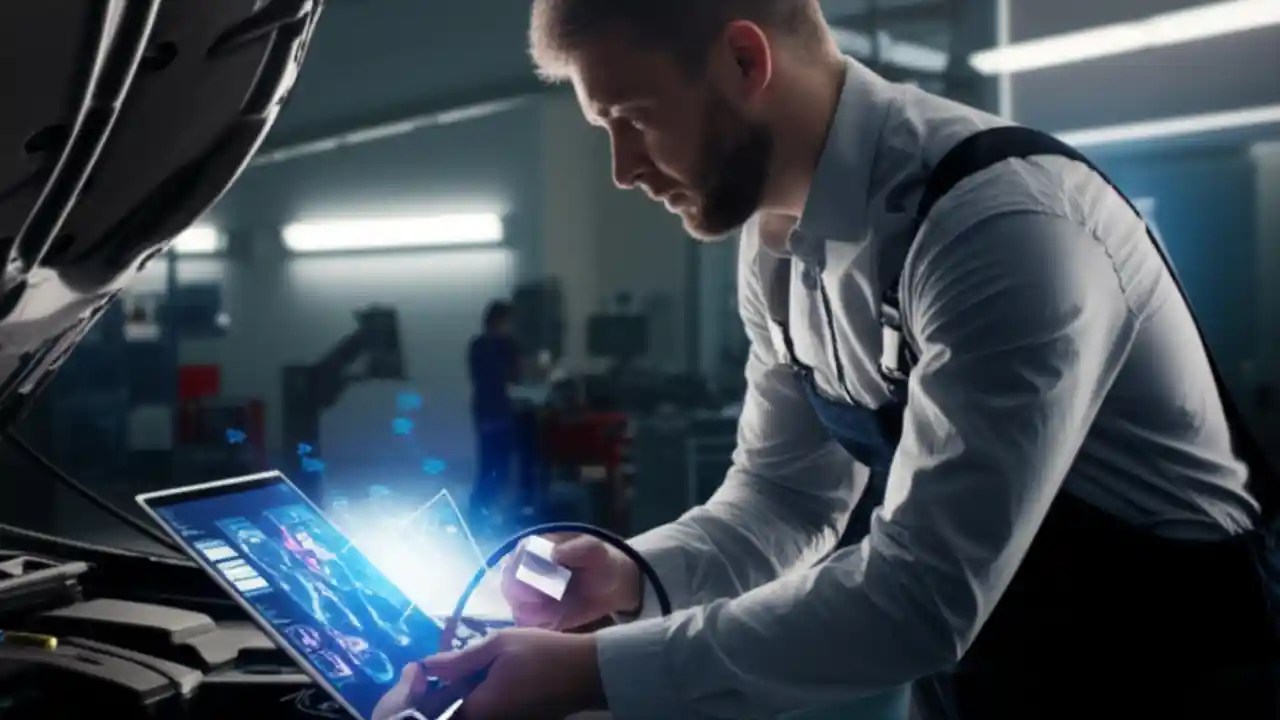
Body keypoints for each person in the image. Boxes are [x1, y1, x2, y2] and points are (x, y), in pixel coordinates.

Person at [387, 2, 1280, 719]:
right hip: (988, 678)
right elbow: (783, 498)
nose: (622, 168)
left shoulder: (1001, 228)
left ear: (745, 61)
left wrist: (589, 672)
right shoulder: (777, 243)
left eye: (633, 117)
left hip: (1182, 681)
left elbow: (922, 598)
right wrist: (635, 575)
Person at [467, 300, 520, 526]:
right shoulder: (500, 346)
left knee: (491, 466)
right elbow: (513, 375)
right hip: (495, 411)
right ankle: (481, 514)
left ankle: (480, 513)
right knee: (496, 467)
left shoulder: (478, 345)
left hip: (487, 411)